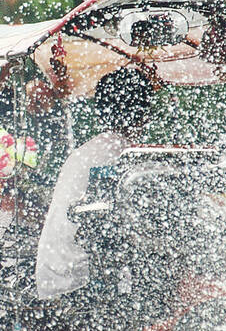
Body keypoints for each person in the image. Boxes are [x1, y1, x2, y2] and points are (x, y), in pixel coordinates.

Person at [34, 66, 153, 299]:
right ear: (144, 114)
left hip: (55, 272)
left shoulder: (91, 150)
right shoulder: (118, 155)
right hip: (77, 279)